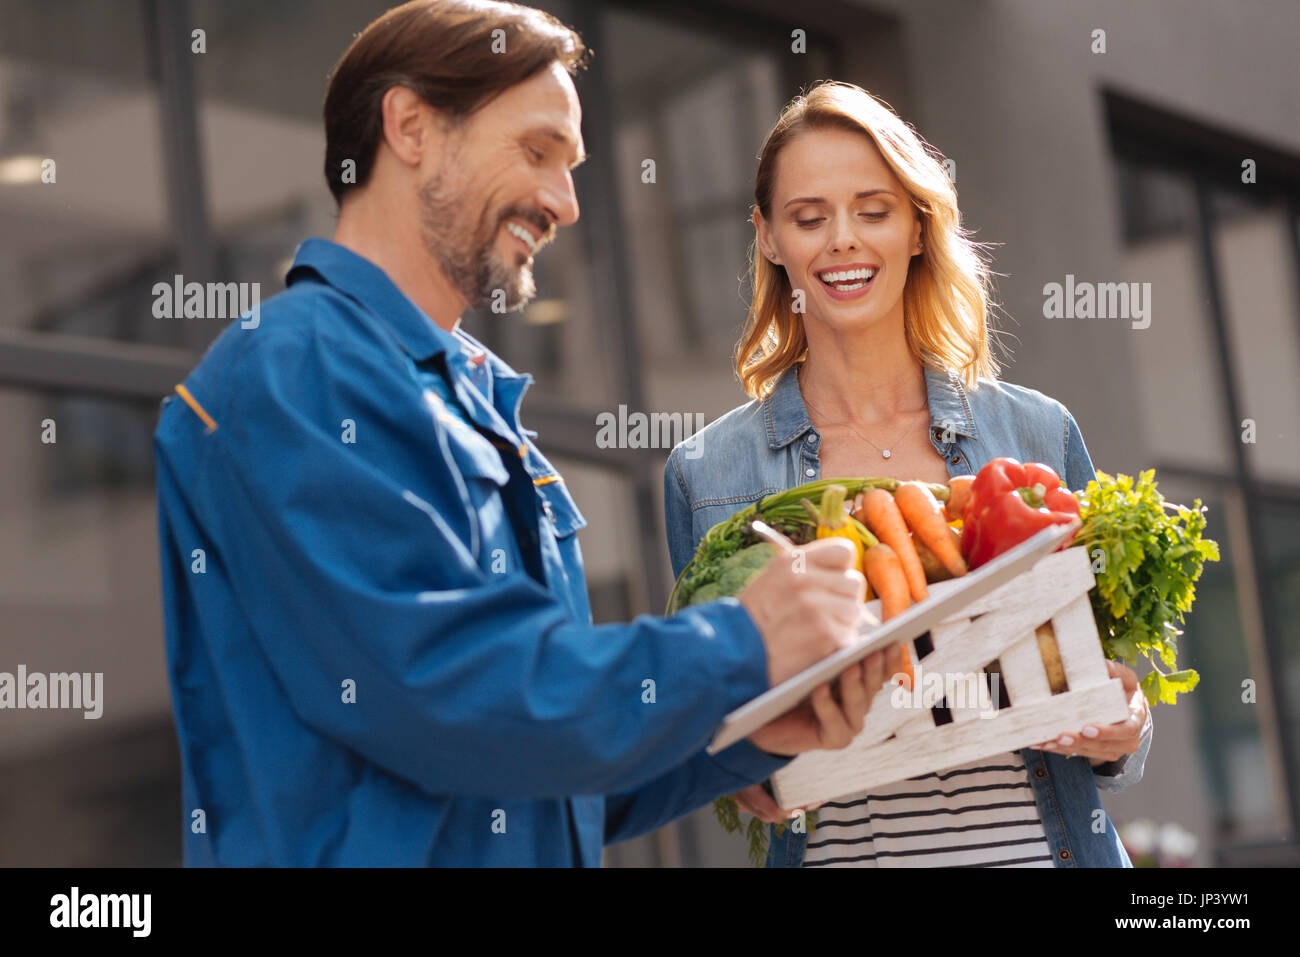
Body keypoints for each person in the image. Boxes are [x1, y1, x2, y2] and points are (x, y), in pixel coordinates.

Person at [152, 0, 887, 867]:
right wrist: (741, 641)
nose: (566, 202)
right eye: (538, 151)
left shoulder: (473, 401)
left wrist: (746, 737)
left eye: (570, 165)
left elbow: (542, 769)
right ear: (411, 125)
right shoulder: (291, 370)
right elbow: (446, 692)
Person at [663, 80, 1154, 868]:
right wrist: (736, 772)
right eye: (808, 217)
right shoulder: (709, 472)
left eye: (874, 209)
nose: (842, 241)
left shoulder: (1034, 430)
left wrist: (1124, 726)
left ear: (919, 228)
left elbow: (1116, 680)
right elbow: (716, 717)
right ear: (768, 237)